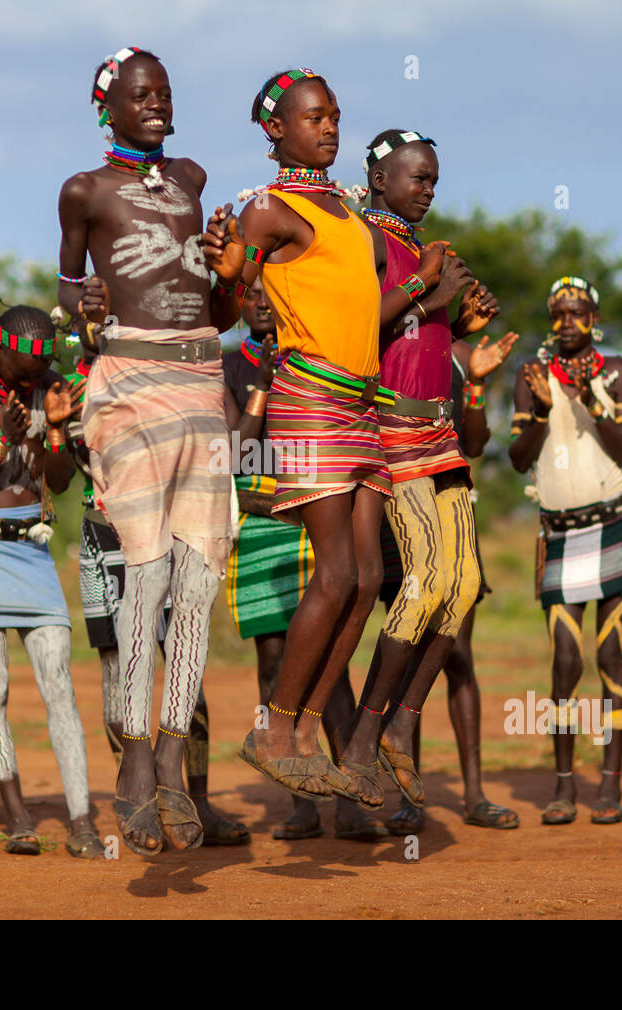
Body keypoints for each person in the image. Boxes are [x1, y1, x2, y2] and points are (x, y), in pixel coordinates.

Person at [57, 48, 237, 854]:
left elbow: (219, 302)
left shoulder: (194, 181)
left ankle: (171, 751)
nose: (156, 103)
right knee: (148, 571)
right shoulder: (84, 192)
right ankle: (132, 755)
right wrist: (82, 308)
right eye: (141, 95)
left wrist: (232, 263)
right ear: (110, 109)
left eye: (164, 91)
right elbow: (69, 297)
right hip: (130, 382)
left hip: (203, 381)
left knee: (198, 578)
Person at [209, 68, 391, 809]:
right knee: (338, 572)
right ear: (275, 130)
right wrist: (224, 273)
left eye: (335, 116)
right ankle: (276, 730)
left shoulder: (351, 211)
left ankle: (306, 729)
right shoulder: (267, 209)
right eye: (313, 117)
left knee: (371, 578)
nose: (330, 127)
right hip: (310, 399)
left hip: (363, 402)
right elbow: (227, 306)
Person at [348, 129, 512, 814]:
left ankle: (405, 719)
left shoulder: (424, 250)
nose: (428, 188)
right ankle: (364, 737)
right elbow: (360, 326)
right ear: (380, 179)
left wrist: (461, 327)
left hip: (440, 429)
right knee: (421, 582)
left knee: (465, 583)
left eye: (434, 179)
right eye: (416, 177)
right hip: (391, 426)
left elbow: (425, 340)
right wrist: (428, 289)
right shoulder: (367, 241)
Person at [224, 279, 385, 841]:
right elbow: (235, 452)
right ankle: (299, 799)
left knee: (327, 662)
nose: (263, 304)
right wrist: (262, 389)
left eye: (273, 294)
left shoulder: (317, 359)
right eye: (252, 295)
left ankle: (343, 796)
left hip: (315, 515)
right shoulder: (229, 365)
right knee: (274, 663)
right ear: (239, 306)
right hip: (259, 526)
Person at [0, 304, 103, 857]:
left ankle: (82, 819)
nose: (36, 376)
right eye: (26, 366)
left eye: (43, 366)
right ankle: (18, 819)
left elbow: (57, 483)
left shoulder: (52, 387)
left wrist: (56, 429)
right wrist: (1, 441)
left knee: (59, 684)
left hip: (32, 553)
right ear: (0, 349)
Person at [510, 276, 622, 824]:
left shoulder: (616, 372)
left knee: (610, 655)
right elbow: (518, 459)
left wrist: (581, 402)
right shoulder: (531, 377)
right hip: (559, 535)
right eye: (559, 313)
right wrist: (547, 407)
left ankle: (611, 785)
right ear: (551, 319)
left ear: (594, 319)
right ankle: (563, 786)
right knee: (566, 663)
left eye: (579, 313)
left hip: (613, 528)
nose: (568, 321)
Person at [381, 330, 520, 835]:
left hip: (452, 509)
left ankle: (475, 794)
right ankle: (406, 798)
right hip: (400, 515)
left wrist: (478, 384)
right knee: (406, 651)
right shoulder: (394, 342)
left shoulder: (460, 359)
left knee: (458, 657)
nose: (475, 295)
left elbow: (477, 444)